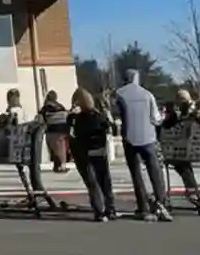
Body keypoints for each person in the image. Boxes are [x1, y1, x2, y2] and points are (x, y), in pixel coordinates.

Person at [115, 69, 172, 221]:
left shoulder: (119, 94)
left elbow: (114, 116)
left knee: (136, 173)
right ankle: (161, 202)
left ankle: (143, 206)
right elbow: (155, 119)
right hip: (148, 137)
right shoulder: (147, 94)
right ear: (136, 78)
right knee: (154, 170)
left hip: (129, 137)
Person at [68, 87, 117, 222]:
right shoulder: (99, 116)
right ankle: (110, 208)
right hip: (99, 150)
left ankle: (99, 210)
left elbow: (73, 134)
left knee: (92, 181)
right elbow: (109, 128)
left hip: (85, 153)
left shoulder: (76, 119)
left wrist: (72, 113)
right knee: (104, 180)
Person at [162, 89, 200, 204]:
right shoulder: (186, 111)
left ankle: (192, 191)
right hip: (190, 147)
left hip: (191, 147)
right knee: (183, 164)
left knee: (180, 163)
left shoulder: (193, 110)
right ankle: (192, 190)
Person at [39, 90, 70, 173]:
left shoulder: (45, 107)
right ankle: (61, 166)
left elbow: (41, 118)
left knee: (55, 149)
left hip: (51, 130)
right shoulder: (60, 106)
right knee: (61, 149)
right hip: (61, 130)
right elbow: (66, 116)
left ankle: (57, 166)